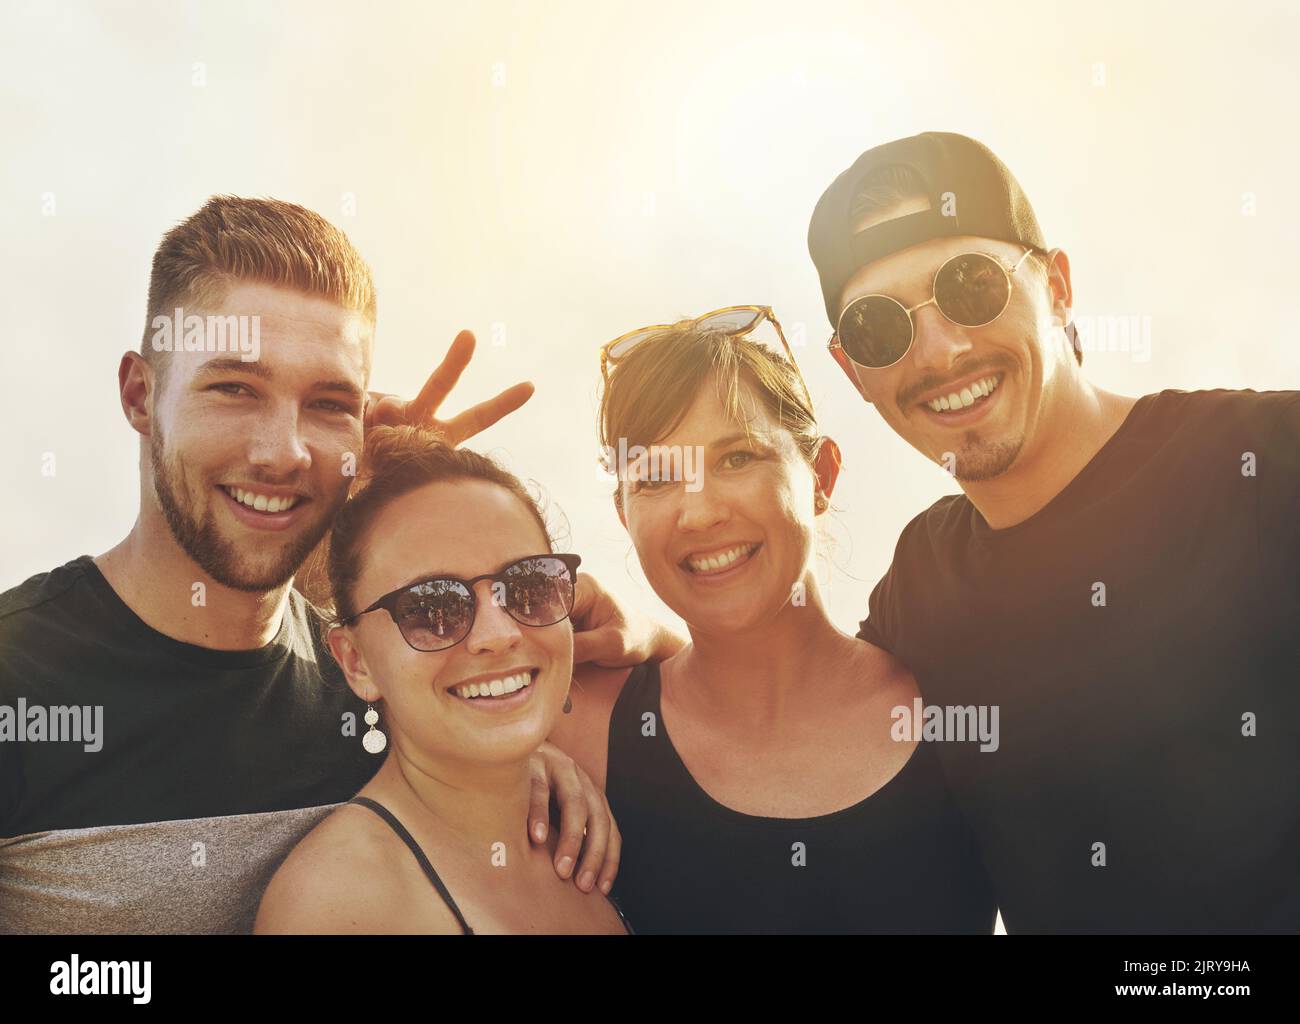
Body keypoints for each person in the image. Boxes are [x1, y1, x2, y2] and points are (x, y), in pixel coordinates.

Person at [0, 196, 643, 934]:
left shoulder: (384, 681)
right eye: (235, 389)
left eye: (329, 403)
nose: (285, 451)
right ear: (141, 395)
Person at [804, 131, 1299, 932]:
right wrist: (610, 657)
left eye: (971, 286)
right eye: (879, 329)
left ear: (1058, 286)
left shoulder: (1269, 462)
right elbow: (781, 721)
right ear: (850, 370)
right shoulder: (921, 586)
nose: (941, 350)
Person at [547, 308, 998, 933]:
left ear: (821, 476)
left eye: (737, 458)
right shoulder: (579, 732)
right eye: (654, 478)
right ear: (626, 515)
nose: (698, 513)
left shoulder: (956, 710)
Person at [255, 427, 631, 934]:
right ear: (356, 661)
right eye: (431, 607)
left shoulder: (592, 818)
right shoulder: (340, 905)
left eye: (528, 585)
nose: (497, 635)